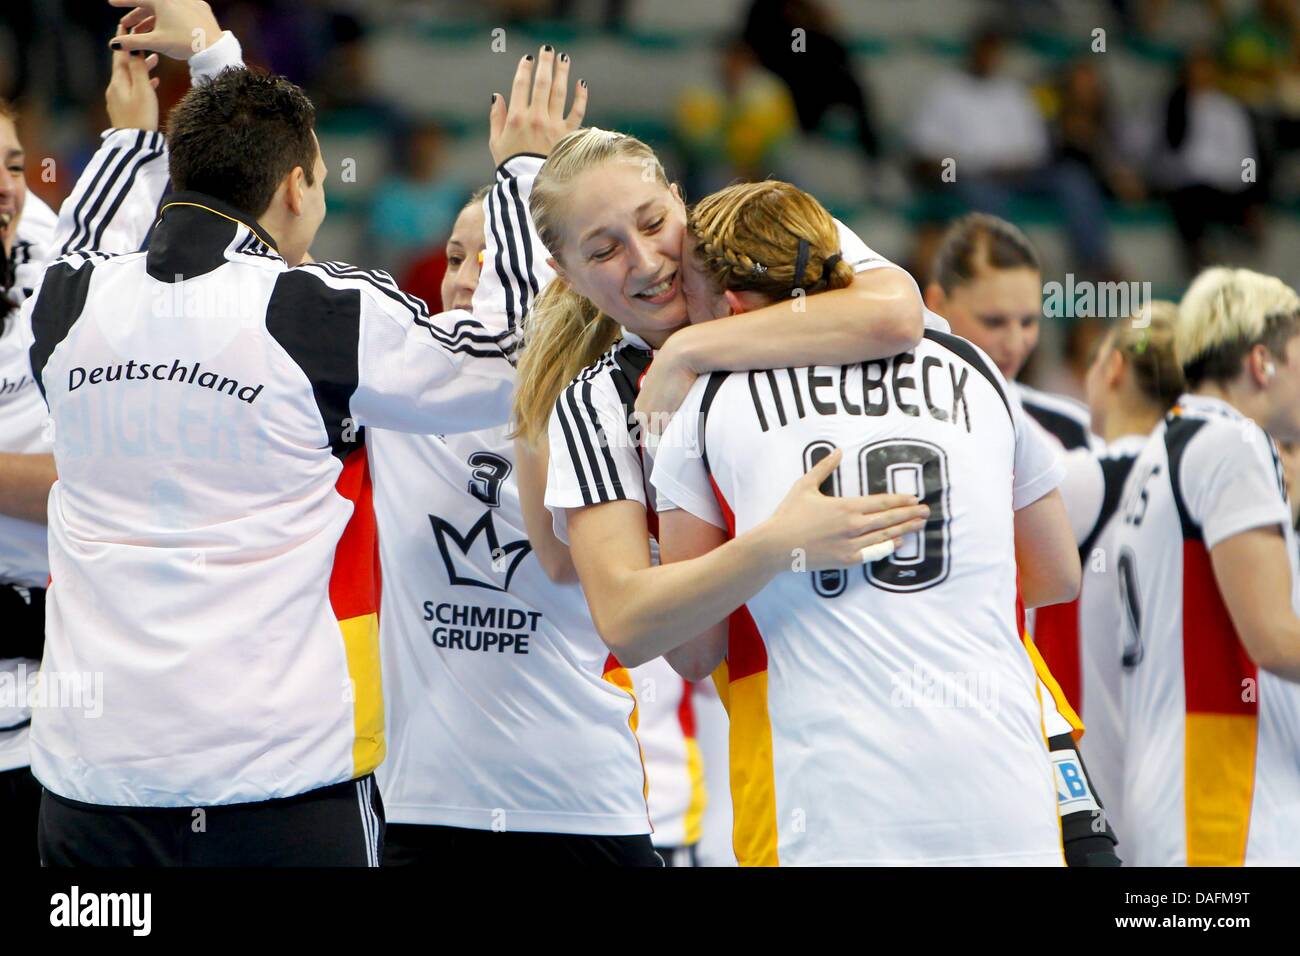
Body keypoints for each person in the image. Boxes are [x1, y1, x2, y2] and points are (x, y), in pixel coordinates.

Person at [21, 0, 571, 865]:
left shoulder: (68, 303)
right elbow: (508, 361)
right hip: (273, 790)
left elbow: (88, 238)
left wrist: (151, 121)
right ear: (298, 189)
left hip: (90, 791)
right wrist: (525, 174)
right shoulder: (312, 312)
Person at [648, 179, 1079, 865]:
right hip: (1007, 792)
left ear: (729, 303)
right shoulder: (972, 365)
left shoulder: (704, 408)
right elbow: (1057, 576)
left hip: (831, 808)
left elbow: (693, 651)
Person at [373, 171, 669, 868]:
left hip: (584, 800)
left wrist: (527, 170)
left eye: (493, 257)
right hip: (424, 805)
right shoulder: (387, 398)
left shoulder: (618, 401)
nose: (467, 279)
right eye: (454, 258)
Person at [0, 26, 169, 867]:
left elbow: (94, 476)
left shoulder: (54, 260)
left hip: (57, 699)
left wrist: (133, 140)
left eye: (10, 165)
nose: (6, 190)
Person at [1114, 267, 1300, 866]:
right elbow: (1273, 640)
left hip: (1173, 792)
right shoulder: (1235, 445)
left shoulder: (1167, 444)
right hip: (1222, 804)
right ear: (1262, 362)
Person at [1057, 302, 1183, 849]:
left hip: (1101, 786)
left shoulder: (1084, 480)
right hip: (1197, 772)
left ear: (1111, 370)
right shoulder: (1206, 475)